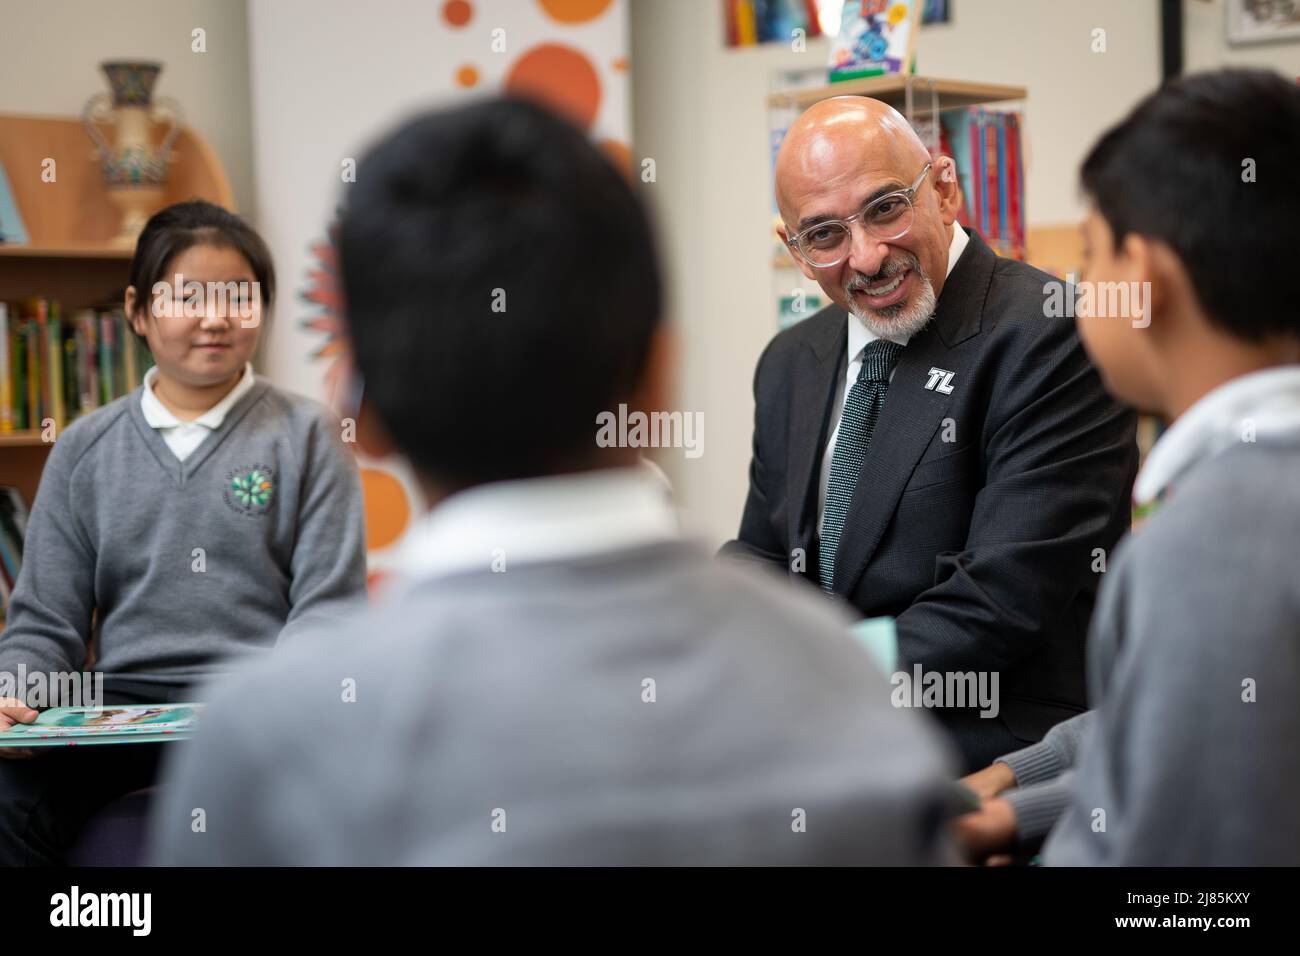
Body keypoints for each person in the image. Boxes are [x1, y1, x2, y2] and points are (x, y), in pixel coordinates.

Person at [149, 97, 958, 866]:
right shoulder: (846, 688)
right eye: (824, 232)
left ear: (360, 411)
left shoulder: (265, 744)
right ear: (659, 378)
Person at [722, 97, 1138, 771]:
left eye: (885, 208)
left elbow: (1002, 600)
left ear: (945, 191)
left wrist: (810, 677)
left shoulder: (1051, 335)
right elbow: (765, 554)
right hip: (833, 724)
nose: (866, 257)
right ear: (795, 252)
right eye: (825, 235)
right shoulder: (791, 361)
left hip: (991, 740)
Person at [954, 68, 1300, 865]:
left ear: (1141, 281)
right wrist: (1019, 794)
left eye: (1089, 259)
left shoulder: (1210, 543)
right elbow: (1201, 736)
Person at [0, 200, 367, 865]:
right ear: (138, 312)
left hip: (260, 703)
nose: (216, 317)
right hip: (117, 714)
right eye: (188, 296)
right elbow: (43, 624)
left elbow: (329, 613)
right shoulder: (84, 449)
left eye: (238, 297)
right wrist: (15, 692)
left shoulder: (309, 437)